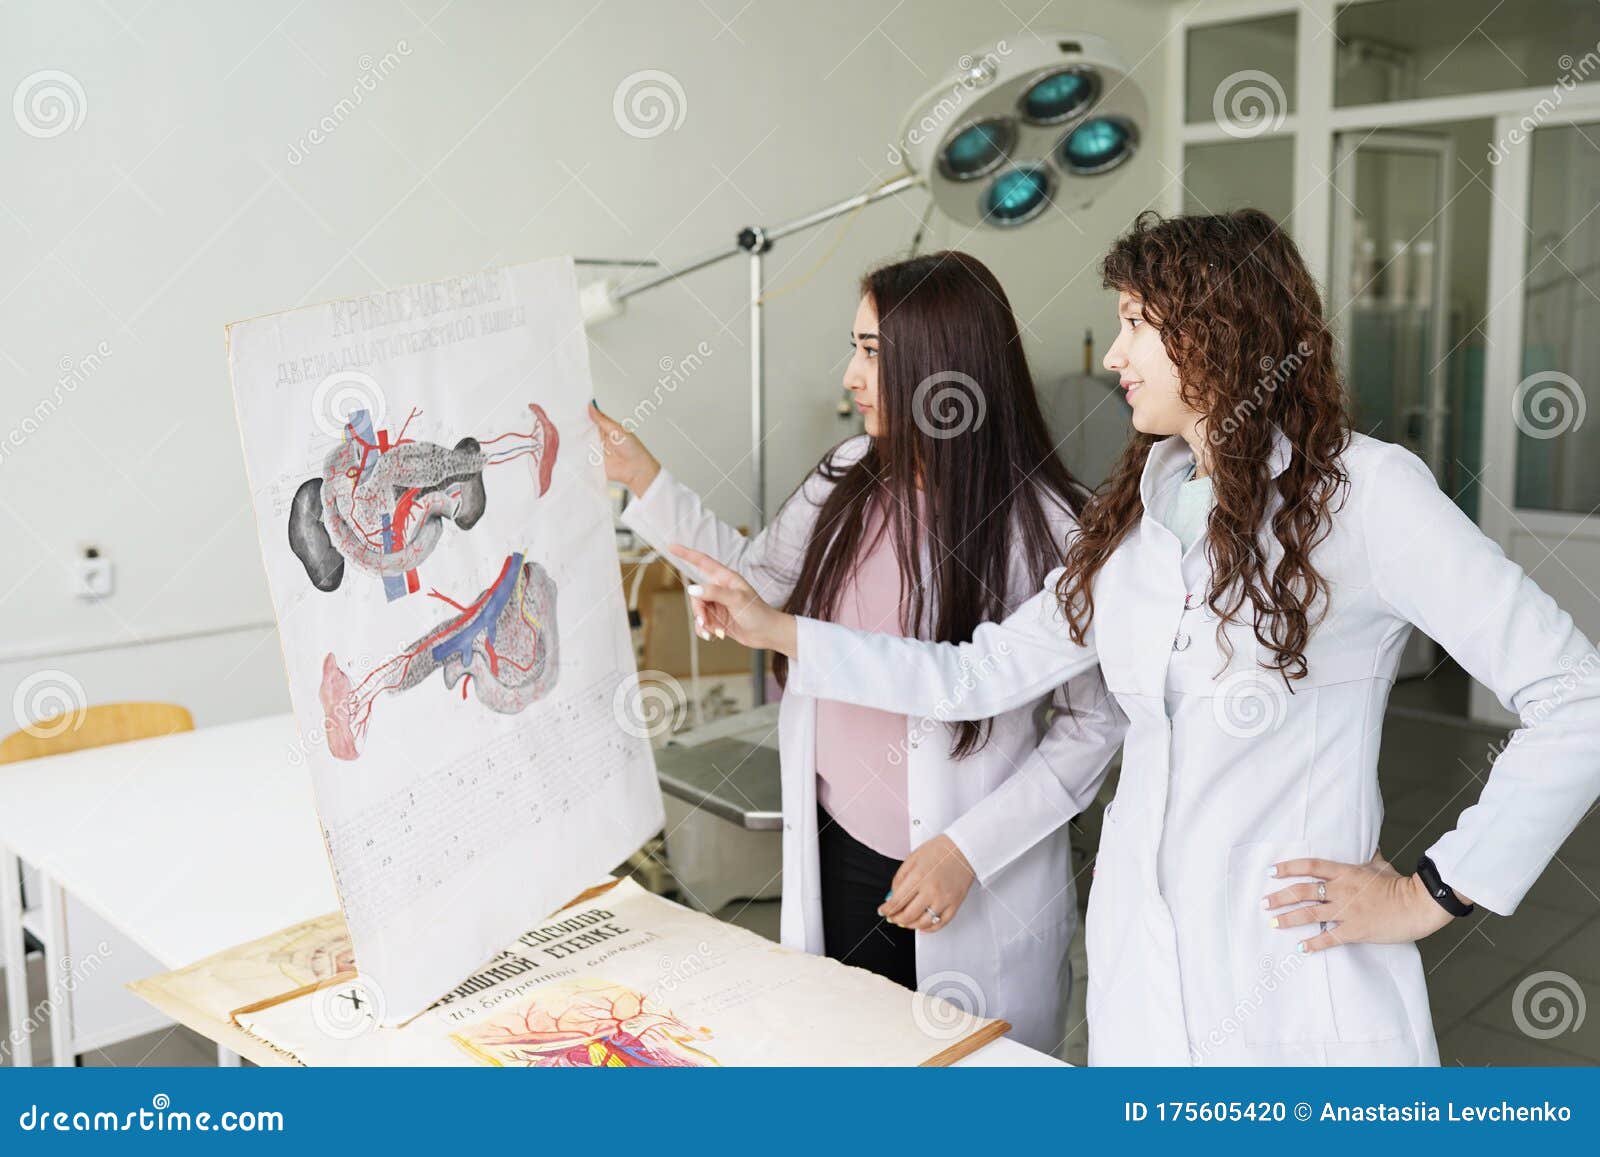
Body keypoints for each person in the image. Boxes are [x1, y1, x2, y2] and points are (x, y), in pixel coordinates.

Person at [674, 210, 1600, 1065]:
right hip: (1139, 978)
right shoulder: (1136, 517)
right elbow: (979, 673)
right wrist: (781, 630)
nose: (1114, 353)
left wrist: (1431, 891)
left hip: (1293, 978)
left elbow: (1576, 697)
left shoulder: (1363, 496)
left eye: (1133, 323)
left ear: (1215, 330)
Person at [592, 250, 1125, 1054]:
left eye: (872, 352)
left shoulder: (1050, 527)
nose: (850, 376)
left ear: (941, 366)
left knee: (966, 1084)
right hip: (839, 848)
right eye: (856, 348)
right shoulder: (846, 476)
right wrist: (643, 476)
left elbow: (1095, 725)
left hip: (968, 873)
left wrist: (967, 851)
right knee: (852, 1064)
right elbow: (758, 584)